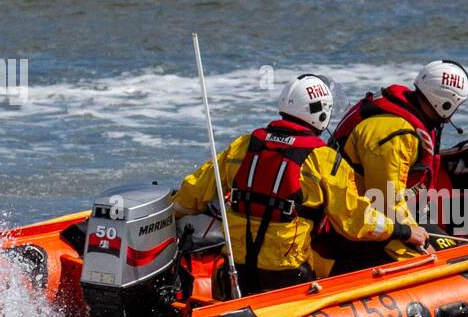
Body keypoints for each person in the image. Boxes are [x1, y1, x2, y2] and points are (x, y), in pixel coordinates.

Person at [172, 74, 428, 296]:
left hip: (234, 272)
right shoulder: (324, 159)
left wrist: (170, 215)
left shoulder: (244, 145)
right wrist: (404, 231)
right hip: (286, 276)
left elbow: (191, 194)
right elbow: (354, 221)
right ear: (322, 113)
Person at [329, 59, 468, 271]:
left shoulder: (405, 117)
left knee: (450, 245)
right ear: (446, 104)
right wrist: (419, 242)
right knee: (446, 259)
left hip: (376, 214)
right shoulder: (395, 135)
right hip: (357, 221)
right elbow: (385, 201)